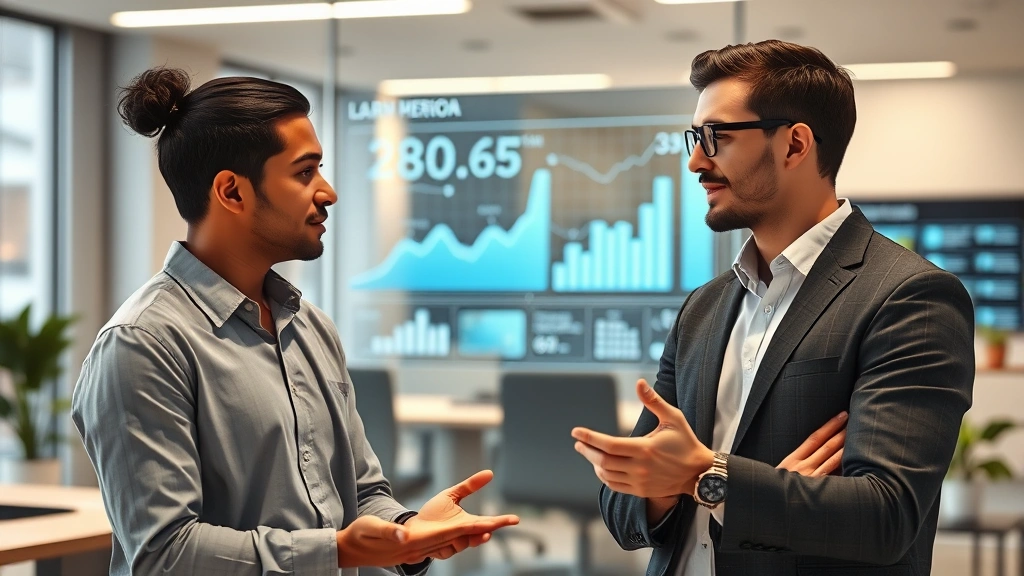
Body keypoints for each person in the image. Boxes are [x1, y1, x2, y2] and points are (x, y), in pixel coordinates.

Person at [72, 67, 518, 576]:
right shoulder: (142, 345)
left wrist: (407, 533)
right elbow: (162, 553)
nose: (327, 192)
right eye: (305, 172)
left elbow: (361, 493)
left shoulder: (309, 327)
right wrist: (337, 551)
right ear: (232, 193)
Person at [572, 40, 974, 575]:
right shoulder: (704, 307)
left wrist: (707, 477)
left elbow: (887, 518)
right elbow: (621, 510)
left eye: (715, 137)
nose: (696, 161)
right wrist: (672, 485)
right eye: (695, 138)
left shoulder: (909, 298)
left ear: (794, 144)